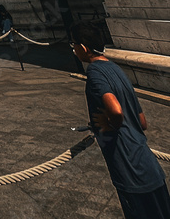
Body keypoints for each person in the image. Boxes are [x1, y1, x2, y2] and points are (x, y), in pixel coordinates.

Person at [72, 22, 170, 219]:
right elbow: (142, 122)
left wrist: (110, 124)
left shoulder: (95, 72)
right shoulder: (116, 69)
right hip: (149, 166)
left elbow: (116, 111)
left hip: (129, 168)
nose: (73, 50)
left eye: (73, 45)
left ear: (83, 48)